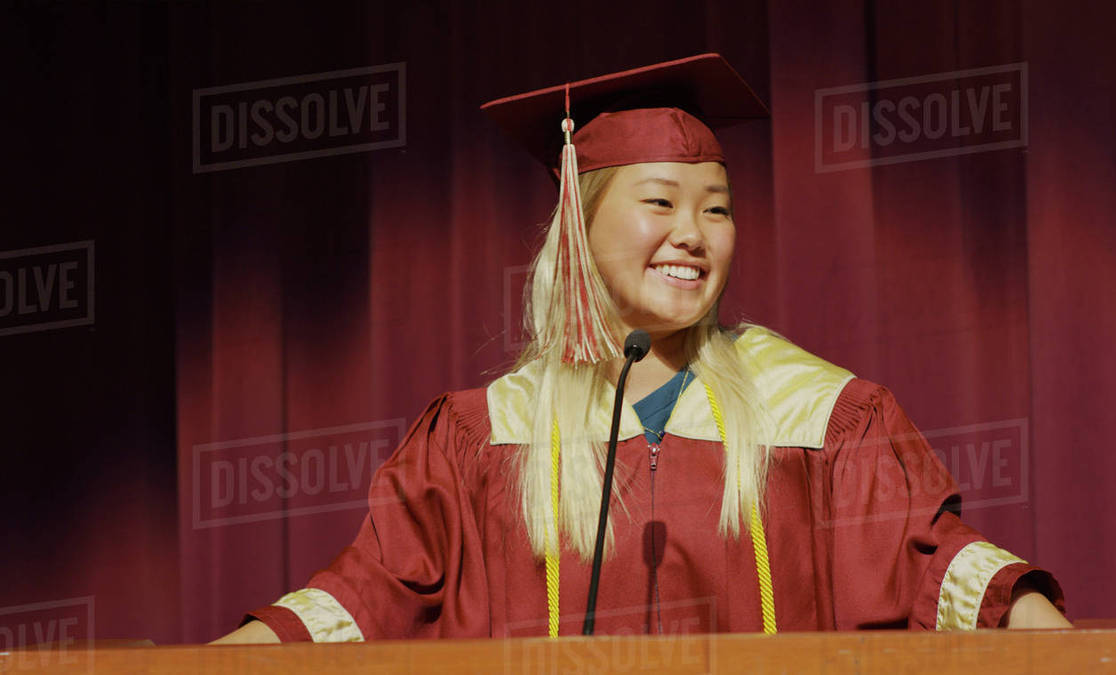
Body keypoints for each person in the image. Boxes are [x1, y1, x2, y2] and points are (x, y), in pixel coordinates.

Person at [213, 53, 1069, 645]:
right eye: (660, 202)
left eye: (717, 208)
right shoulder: (482, 439)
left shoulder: (820, 416)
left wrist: (1036, 616)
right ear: (578, 231)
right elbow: (374, 592)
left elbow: (928, 556)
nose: (692, 235)